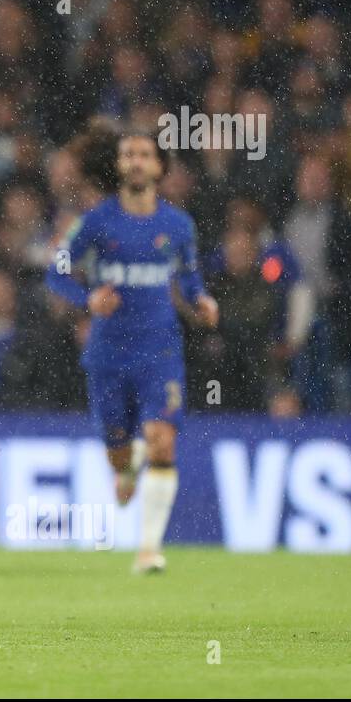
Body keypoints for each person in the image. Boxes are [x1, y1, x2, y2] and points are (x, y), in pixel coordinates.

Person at [45, 128, 218, 574]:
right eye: (128, 155)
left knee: (162, 442)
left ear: (160, 167)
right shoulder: (96, 221)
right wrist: (88, 299)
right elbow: (57, 271)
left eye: (144, 154)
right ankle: (124, 468)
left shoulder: (179, 226)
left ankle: (148, 549)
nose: (136, 161)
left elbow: (190, 279)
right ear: (119, 165)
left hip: (160, 351)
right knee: (119, 453)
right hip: (108, 355)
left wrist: (201, 301)